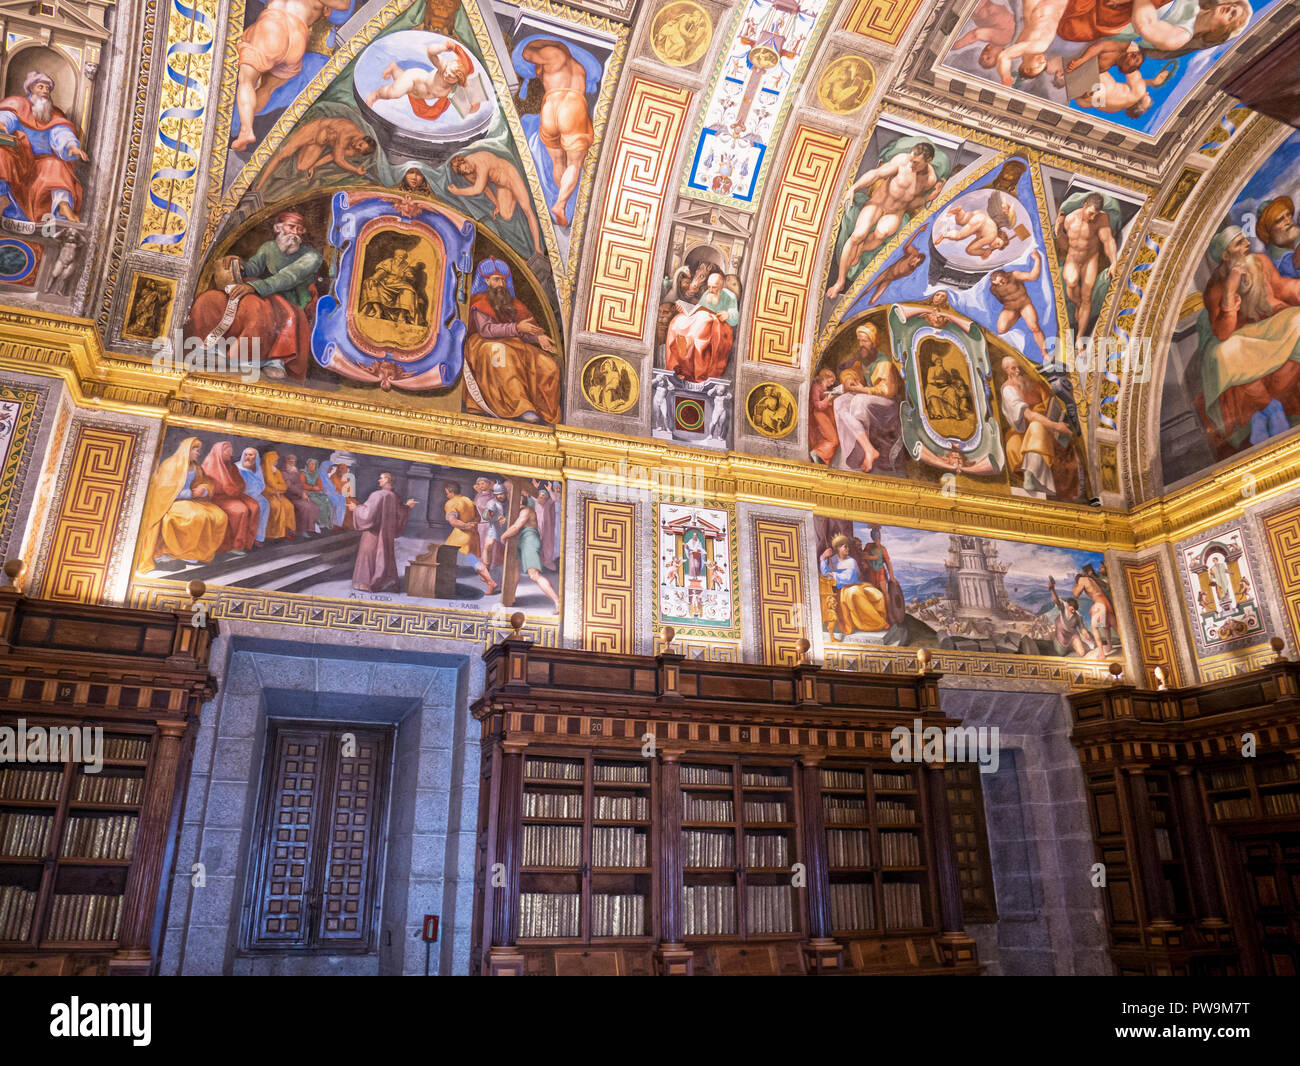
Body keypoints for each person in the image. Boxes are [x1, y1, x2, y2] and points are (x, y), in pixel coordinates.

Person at [186, 211, 322, 380]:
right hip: (260, 293)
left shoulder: (312, 256)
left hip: (291, 301)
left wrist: (253, 287)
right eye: (291, 227)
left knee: (257, 309)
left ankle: (270, 361)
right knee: (210, 300)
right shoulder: (269, 248)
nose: (295, 233)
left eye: (300, 229)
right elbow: (253, 268)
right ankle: (214, 350)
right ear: (278, 228)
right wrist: (238, 264)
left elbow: (288, 277)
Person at [1198, 225, 1300, 446]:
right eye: (1239, 243)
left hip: (1274, 324)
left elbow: (1283, 288)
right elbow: (1223, 333)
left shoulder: (1260, 261)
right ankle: (1270, 409)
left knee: (1298, 320)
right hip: (1243, 338)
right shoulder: (1215, 288)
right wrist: (1228, 293)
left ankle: (1274, 405)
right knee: (1224, 353)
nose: (1247, 245)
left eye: (1245, 240)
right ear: (1226, 255)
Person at [828, 142, 943, 299]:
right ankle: (840, 282)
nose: (911, 163)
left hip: (896, 212)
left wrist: (931, 197)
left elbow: (914, 200)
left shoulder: (930, 179)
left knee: (881, 234)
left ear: (928, 160)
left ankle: (861, 249)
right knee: (857, 235)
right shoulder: (902, 161)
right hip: (878, 204)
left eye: (916, 162)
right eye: (911, 159)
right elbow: (877, 174)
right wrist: (854, 188)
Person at [232, 0, 352, 151]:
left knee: (246, 81)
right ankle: (243, 122)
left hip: (272, 27)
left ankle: (246, 130)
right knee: (267, 89)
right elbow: (344, 5)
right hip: (298, 39)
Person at [464, 259, 561, 423]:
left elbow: (526, 329)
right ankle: (520, 407)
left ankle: (545, 413)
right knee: (501, 355)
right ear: (486, 280)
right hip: (482, 343)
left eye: (503, 279)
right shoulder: (480, 302)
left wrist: (539, 337)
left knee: (547, 364)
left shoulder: (513, 303)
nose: (501, 283)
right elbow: (486, 330)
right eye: (496, 279)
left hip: (514, 343)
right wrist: (517, 328)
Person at [521, 39, 594, 226]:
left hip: (550, 108)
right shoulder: (579, 69)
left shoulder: (553, 53)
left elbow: (527, 53)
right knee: (574, 163)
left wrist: (541, 41)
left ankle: (564, 202)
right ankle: (561, 204)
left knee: (558, 161)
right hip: (572, 106)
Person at [0, 71, 88, 222]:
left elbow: (60, 132)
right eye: (41, 87)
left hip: (41, 163)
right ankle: (2, 197)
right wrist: (2, 124)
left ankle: (63, 206)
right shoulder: (18, 104)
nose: (45, 92)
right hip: (19, 159)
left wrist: (71, 145)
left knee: (55, 164)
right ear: (31, 89)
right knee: (2, 155)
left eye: (48, 89)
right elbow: (8, 116)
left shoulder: (52, 114)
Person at [134, 438, 229, 571]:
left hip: (191, 501)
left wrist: (203, 489)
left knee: (219, 515)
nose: (199, 453)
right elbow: (164, 490)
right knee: (196, 515)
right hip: (170, 503)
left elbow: (202, 482)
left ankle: (198, 551)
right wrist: (190, 494)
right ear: (187, 450)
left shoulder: (195, 467)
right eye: (196, 449)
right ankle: (184, 552)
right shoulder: (170, 465)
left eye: (199, 450)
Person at [833, 324, 902, 473]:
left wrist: (862, 390)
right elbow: (851, 372)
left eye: (865, 341)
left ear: (873, 342)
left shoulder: (883, 362)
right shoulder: (863, 360)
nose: (861, 345)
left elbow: (886, 390)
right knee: (840, 401)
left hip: (888, 406)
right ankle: (866, 449)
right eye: (860, 341)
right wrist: (849, 380)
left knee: (859, 400)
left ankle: (864, 450)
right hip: (871, 399)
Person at [1000, 355, 1073, 497]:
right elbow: (1030, 415)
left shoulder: (1034, 383)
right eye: (1013, 368)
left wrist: (1057, 422)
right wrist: (1056, 426)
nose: (1018, 371)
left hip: (1048, 427)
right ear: (1007, 371)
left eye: (1019, 367)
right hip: (1024, 431)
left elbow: (1053, 405)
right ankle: (1030, 475)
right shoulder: (1008, 390)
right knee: (1035, 427)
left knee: (1037, 427)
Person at [447, 152, 542, 256]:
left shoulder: (480, 162)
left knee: (527, 210)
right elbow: (485, 188)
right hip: (501, 186)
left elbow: (477, 189)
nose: (468, 171)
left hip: (511, 177)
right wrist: (497, 204)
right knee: (506, 215)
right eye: (464, 171)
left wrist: (458, 191)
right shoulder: (469, 175)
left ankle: (537, 248)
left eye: (466, 167)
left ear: (465, 160)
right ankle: (515, 196)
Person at [1055, 193, 1119, 335]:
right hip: (1073, 257)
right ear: (1084, 206)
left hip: (1091, 259)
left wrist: (1114, 261)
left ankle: (1079, 338)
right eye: (1090, 213)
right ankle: (1078, 305)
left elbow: (1107, 241)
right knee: (1071, 283)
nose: (1092, 218)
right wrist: (1059, 232)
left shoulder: (1102, 219)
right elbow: (1066, 246)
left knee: (1087, 298)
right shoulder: (1070, 219)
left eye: (1095, 215)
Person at [253, 116, 375, 190]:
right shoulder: (348, 131)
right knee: (284, 155)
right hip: (314, 131)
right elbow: (339, 159)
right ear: (363, 137)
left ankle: (300, 152)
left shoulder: (355, 150)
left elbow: (332, 156)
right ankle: (260, 184)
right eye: (359, 144)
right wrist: (355, 170)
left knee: (302, 167)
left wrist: (314, 166)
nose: (355, 147)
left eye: (359, 150)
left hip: (319, 144)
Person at [366, 40, 479, 119]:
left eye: (451, 76)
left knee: (400, 82)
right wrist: (443, 48)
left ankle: (394, 68)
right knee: (394, 93)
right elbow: (430, 52)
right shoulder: (442, 67)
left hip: (417, 93)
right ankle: (375, 95)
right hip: (413, 79)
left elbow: (471, 108)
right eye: (447, 71)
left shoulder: (454, 90)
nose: (446, 74)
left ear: (458, 79)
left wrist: (473, 102)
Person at [664, 271, 739, 382]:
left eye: (714, 287)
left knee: (704, 321)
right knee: (677, 320)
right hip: (702, 321)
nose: (710, 290)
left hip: (719, 326)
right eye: (709, 286)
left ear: (722, 286)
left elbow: (735, 317)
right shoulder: (707, 294)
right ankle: (680, 362)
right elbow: (698, 309)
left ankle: (697, 371)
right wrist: (684, 310)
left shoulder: (730, 296)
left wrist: (727, 314)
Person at [349, 472, 416, 592]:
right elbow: (400, 513)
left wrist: (356, 509)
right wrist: (407, 507)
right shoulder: (394, 496)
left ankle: (366, 583)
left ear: (387, 480)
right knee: (383, 556)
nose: (379, 480)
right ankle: (383, 581)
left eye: (381, 478)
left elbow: (368, 515)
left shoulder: (377, 495)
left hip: (372, 534)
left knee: (368, 555)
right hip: (386, 535)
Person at [500, 491, 561, 612]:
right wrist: (503, 520)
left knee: (534, 575)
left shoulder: (526, 510)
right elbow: (511, 525)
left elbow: (516, 527)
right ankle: (511, 597)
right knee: (514, 570)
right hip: (519, 542)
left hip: (529, 540)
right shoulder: (515, 512)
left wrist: (503, 536)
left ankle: (557, 601)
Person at [820, 534, 888, 636]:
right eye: (845, 547)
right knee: (854, 593)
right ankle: (878, 623)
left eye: (848, 546)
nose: (848, 549)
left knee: (877, 594)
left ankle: (879, 618)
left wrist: (835, 575)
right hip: (842, 590)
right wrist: (823, 557)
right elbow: (825, 573)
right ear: (838, 548)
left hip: (855, 584)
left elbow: (851, 577)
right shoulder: (831, 560)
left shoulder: (851, 561)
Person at [200, 441, 260, 554]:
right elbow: (213, 488)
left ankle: (246, 542)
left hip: (233, 496)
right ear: (219, 453)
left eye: (230, 452)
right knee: (241, 510)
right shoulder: (208, 466)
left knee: (254, 506)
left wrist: (236, 489)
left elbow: (240, 483)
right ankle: (235, 545)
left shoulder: (231, 466)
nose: (230, 455)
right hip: (216, 498)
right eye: (227, 452)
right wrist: (230, 489)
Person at [442, 481, 498, 594]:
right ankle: (490, 581)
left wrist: (465, 525)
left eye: (447, 493)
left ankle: (445, 588)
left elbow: (453, 521)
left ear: (451, 492)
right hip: (473, 536)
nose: (447, 495)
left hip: (460, 537)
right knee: (473, 560)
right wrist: (471, 524)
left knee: (444, 557)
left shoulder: (452, 502)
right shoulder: (468, 501)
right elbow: (478, 517)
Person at [990, 251, 1048, 353]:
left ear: (1005, 276)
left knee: (1034, 327)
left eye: (1002, 281)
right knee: (1001, 329)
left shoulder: (1014, 275)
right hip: (1010, 308)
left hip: (1024, 305)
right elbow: (1000, 300)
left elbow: (1033, 276)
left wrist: (1037, 259)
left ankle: (1044, 353)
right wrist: (1011, 310)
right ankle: (1018, 347)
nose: (1000, 285)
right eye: (997, 284)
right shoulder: (994, 289)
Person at [936, 192, 1017, 260]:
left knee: (961, 221)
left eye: (996, 248)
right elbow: (969, 250)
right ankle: (944, 235)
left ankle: (959, 211)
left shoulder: (990, 232)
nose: (995, 246)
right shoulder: (990, 237)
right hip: (979, 220)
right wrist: (983, 252)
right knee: (960, 235)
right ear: (999, 236)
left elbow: (973, 244)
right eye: (998, 243)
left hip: (980, 214)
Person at [360, 247, 421, 324]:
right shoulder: (388, 262)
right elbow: (381, 272)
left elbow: (411, 279)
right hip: (385, 283)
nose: (400, 259)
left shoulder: (406, 266)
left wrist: (408, 276)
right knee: (369, 282)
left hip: (399, 284)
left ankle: (401, 316)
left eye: (403, 258)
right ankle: (378, 310)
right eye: (399, 257)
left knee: (409, 291)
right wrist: (375, 278)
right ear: (395, 256)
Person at [1073, 563, 1117, 657]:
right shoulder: (1091, 579)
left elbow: (1076, 594)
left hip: (1098, 602)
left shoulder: (1082, 579)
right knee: (1110, 625)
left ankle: (1101, 653)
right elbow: (1104, 585)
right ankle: (1109, 645)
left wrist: (1075, 587)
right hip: (1104, 600)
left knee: (1094, 627)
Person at [1048, 576, 1096, 656]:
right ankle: (1056, 637)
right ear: (1067, 605)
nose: (1073, 610)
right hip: (1061, 637)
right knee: (1060, 653)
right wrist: (1052, 589)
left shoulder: (1077, 616)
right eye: (1071, 607)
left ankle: (1078, 646)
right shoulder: (1063, 608)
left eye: (1074, 609)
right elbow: (1056, 600)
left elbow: (1082, 628)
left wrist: (1087, 635)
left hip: (1072, 636)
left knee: (1082, 652)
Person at [1257, 196, 1300, 280]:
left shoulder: (1294, 236)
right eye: (1280, 220)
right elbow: (1295, 265)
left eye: (1288, 215)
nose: (1288, 221)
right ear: (1270, 230)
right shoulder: (1275, 258)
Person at [236, 447, 270, 545]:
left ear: (256, 457)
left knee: (265, 503)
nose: (248, 457)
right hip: (241, 496)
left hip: (255, 495)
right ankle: (246, 538)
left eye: (251, 455)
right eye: (246, 454)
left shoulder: (258, 469)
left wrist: (255, 493)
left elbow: (262, 485)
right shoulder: (237, 467)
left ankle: (258, 536)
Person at [261, 450, 297, 539]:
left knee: (289, 506)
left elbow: (284, 486)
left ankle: (287, 530)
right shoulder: (261, 470)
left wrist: (278, 490)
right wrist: (274, 491)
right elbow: (262, 487)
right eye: (274, 459)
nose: (276, 462)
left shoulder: (276, 471)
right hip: (267, 495)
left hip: (279, 494)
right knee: (276, 507)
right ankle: (274, 533)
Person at [281, 454, 319, 536]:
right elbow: (289, 487)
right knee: (306, 507)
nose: (292, 462)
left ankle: (311, 528)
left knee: (314, 506)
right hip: (289, 496)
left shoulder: (295, 472)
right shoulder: (283, 473)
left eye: (293, 460)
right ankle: (303, 530)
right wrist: (301, 493)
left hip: (298, 495)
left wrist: (303, 492)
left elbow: (300, 484)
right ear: (286, 461)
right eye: (290, 460)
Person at [808, 367, 840, 464]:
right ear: (825, 377)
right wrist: (828, 399)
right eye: (831, 380)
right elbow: (818, 405)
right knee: (833, 440)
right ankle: (818, 453)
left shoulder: (821, 388)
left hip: (823, 415)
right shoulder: (816, 387)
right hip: (819, 416)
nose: (832, 383)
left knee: (834, 440)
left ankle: (819, 455)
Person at [302, 458, 338, 532]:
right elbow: (302, 485)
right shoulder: (303, 474)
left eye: (314, 464)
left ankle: (327, 523)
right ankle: (320, 524)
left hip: (317, 493)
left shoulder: (317, 475)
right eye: (311, 464)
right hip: (307, 493)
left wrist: (317, 489)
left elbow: (320, 487)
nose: (312, 466)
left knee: (328, 502)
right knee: (320, 504)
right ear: (307, 465)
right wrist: (312, 488)